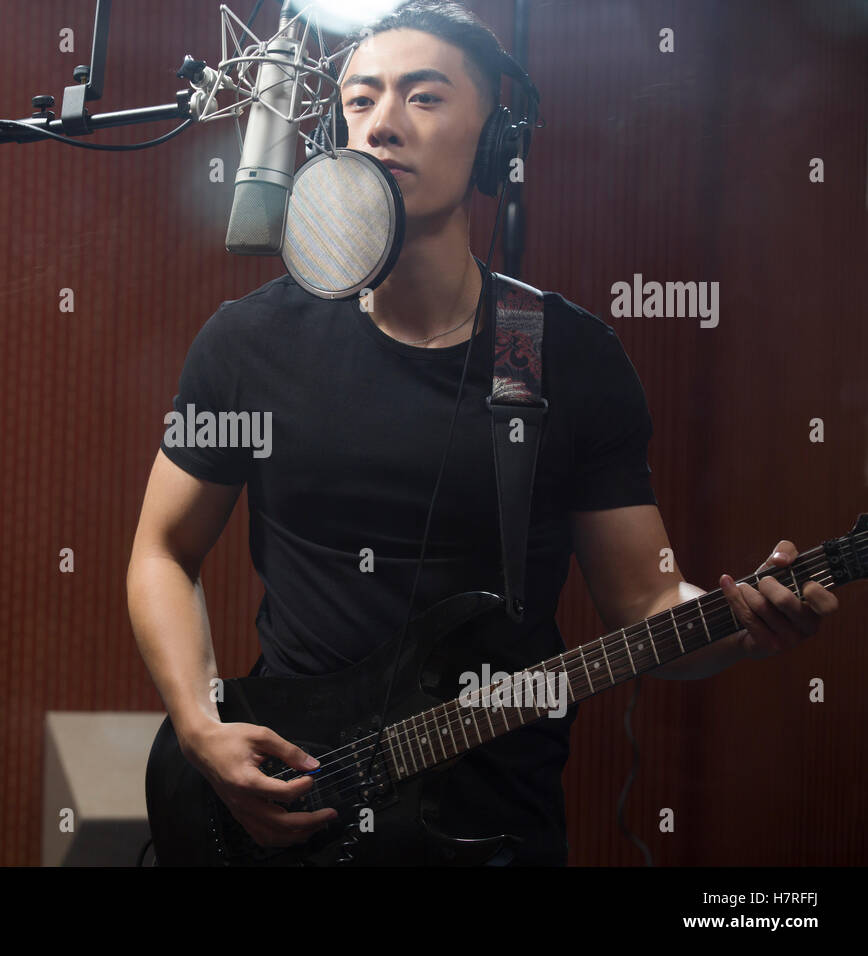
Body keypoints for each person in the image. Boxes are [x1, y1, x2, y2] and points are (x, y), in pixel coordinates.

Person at [125, 0, 839, 865]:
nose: (383, 124)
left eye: (423, 98)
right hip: (295, 806)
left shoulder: (566, 358)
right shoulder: (250, 341)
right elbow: (162, 550)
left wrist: (743, 621)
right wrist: (200, 726)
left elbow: (649, 605)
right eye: (360, 100)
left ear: (497, 142)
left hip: (493, 826)